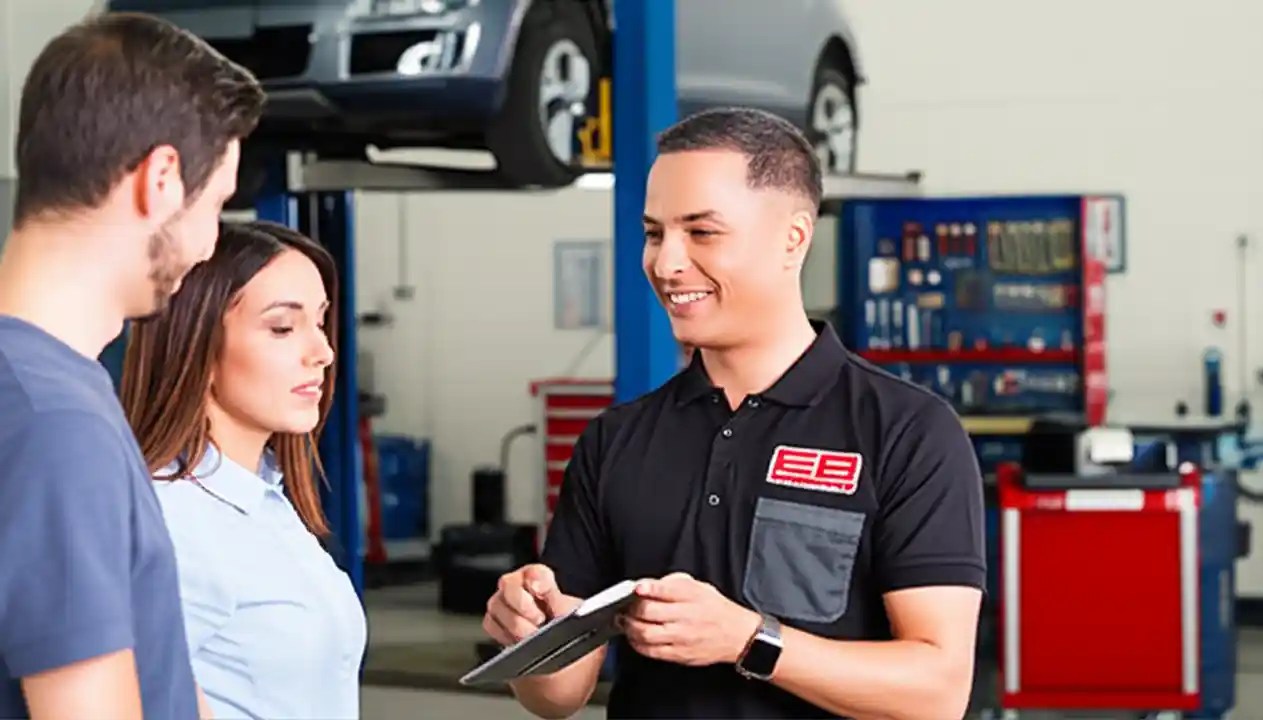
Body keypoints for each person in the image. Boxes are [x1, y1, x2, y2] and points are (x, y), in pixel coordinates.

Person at [482, 107, 986, 720]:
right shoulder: (617, 440)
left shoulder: (906, 432)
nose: (666, 264)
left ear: (793, 238)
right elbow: (560, 697)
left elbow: (937, 692)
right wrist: (529, 631)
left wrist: (750, 640)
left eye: (701, 233)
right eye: (653, 233)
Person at [0, 12, 263, 720]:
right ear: (162, 180)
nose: (210, 244)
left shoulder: (50, 387)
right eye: (217, 205)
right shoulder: (55, 423)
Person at [117, 220, 369, 719]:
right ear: (198, 345)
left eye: (320, 321)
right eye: (282, 327)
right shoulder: (171, 520)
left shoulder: (265, 497)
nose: (322, 352)